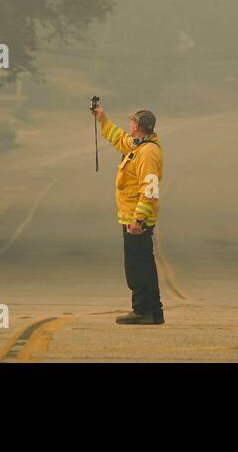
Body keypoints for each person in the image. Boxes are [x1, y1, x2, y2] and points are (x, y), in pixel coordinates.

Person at [92, 101, 164, 325]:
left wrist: (138, 220)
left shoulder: (148, 153)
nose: (129, 125)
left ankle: (142, 311)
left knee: (137, 268)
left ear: (139, 126)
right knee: (145, 265)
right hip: (132, 218)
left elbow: (149, 190)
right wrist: (102, 118)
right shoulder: (137, 145)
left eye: (132, 122)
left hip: (137, 221)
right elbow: (118, 139)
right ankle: (154, 312)